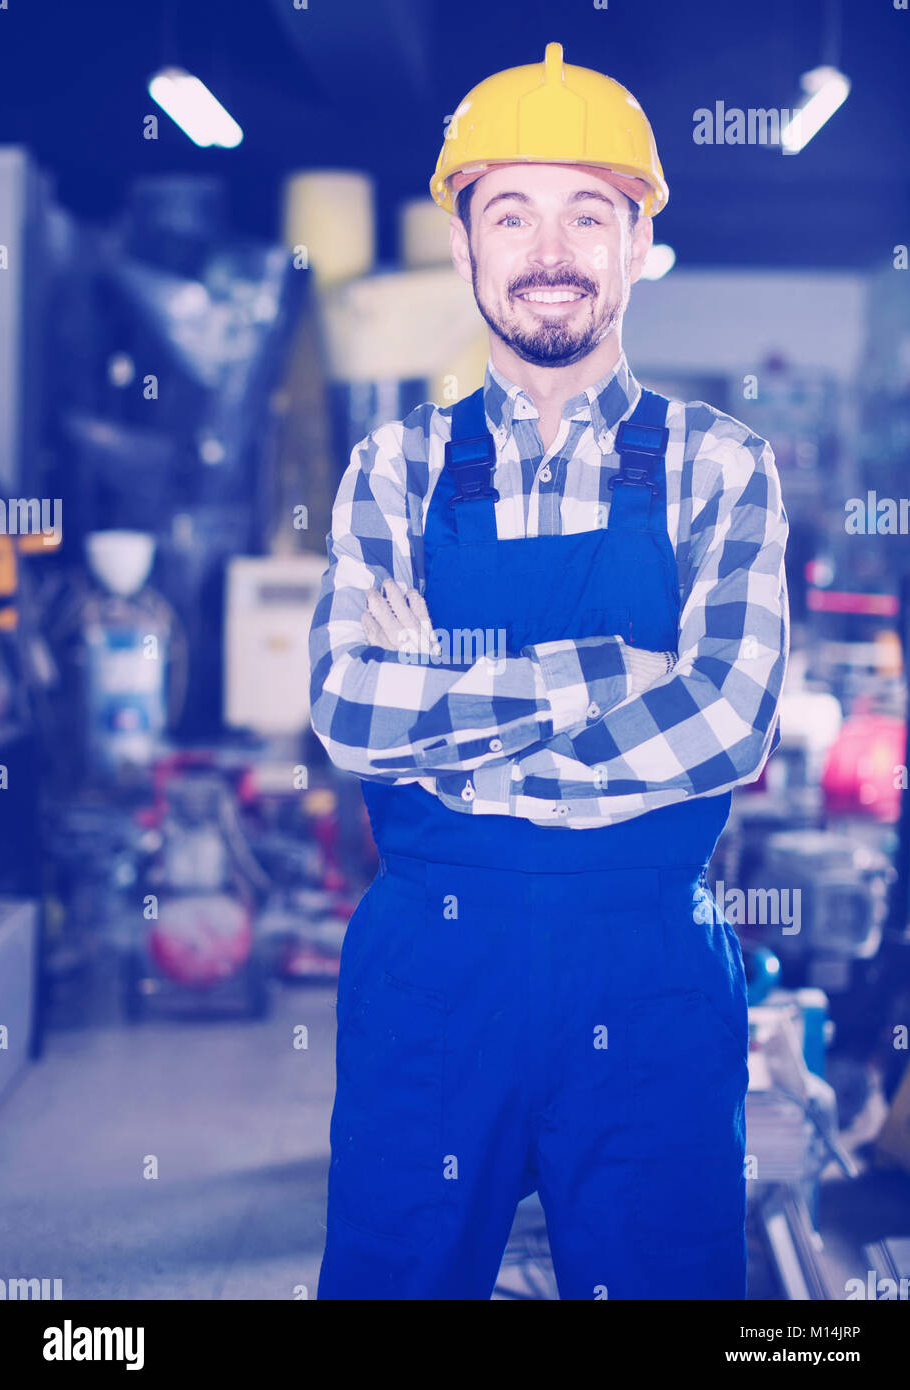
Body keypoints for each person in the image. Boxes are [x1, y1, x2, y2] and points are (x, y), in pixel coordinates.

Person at [309, 42, 789, 1300]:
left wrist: (453, 707)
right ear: (462, 242)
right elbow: (352, 709)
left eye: (590, 212)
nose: (549, 250)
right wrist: (616, 672)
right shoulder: (392, 471)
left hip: (646, 980)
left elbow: (728, 721)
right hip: (431, 977)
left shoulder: (720, 466)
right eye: (508, 212)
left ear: (637, 243)